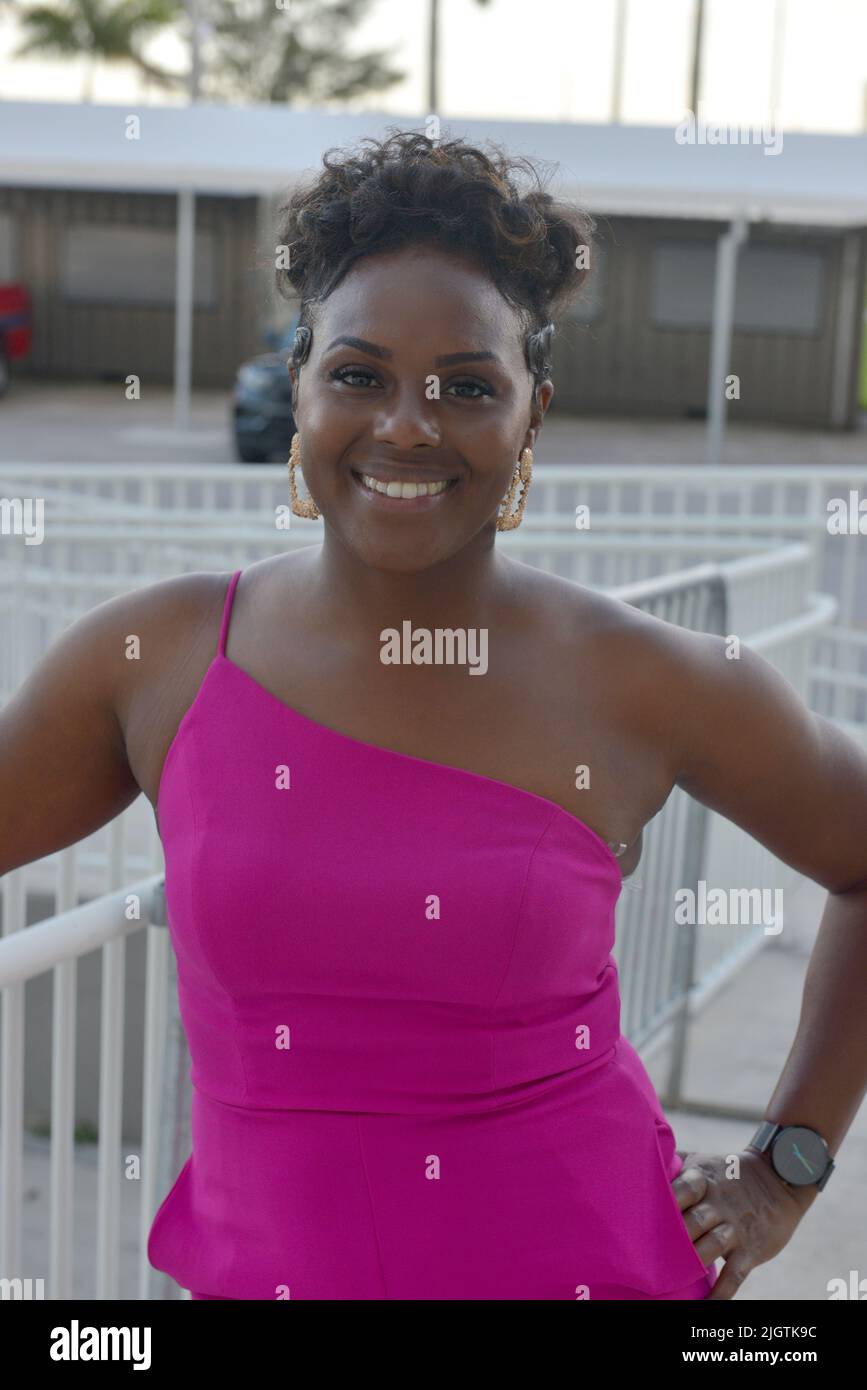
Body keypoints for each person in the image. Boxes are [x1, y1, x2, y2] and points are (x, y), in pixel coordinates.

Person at [3, 130, 865, 1302]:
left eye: (467, 386)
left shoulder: (649, 679)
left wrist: (785, 1170)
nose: (408, 424)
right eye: (359, 373)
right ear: (301, 384)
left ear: (533, 417)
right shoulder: (152, 658)